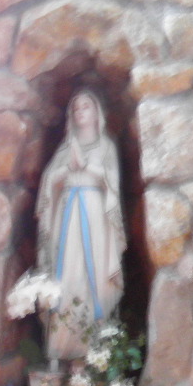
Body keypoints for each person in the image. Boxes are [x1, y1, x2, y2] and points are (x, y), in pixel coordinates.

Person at [35, 90, 125, 363]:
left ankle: (95, 353)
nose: (80, 112)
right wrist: (69, 169)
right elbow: (49, 181)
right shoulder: (65, 148)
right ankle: (59, 349)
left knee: (95, 272)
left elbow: (112, 182)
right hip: (67, 215)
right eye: (75, 108)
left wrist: (88, 167)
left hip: (95, 214)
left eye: (86, 106)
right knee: (67, 273)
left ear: (97, 113)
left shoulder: (106, 147)